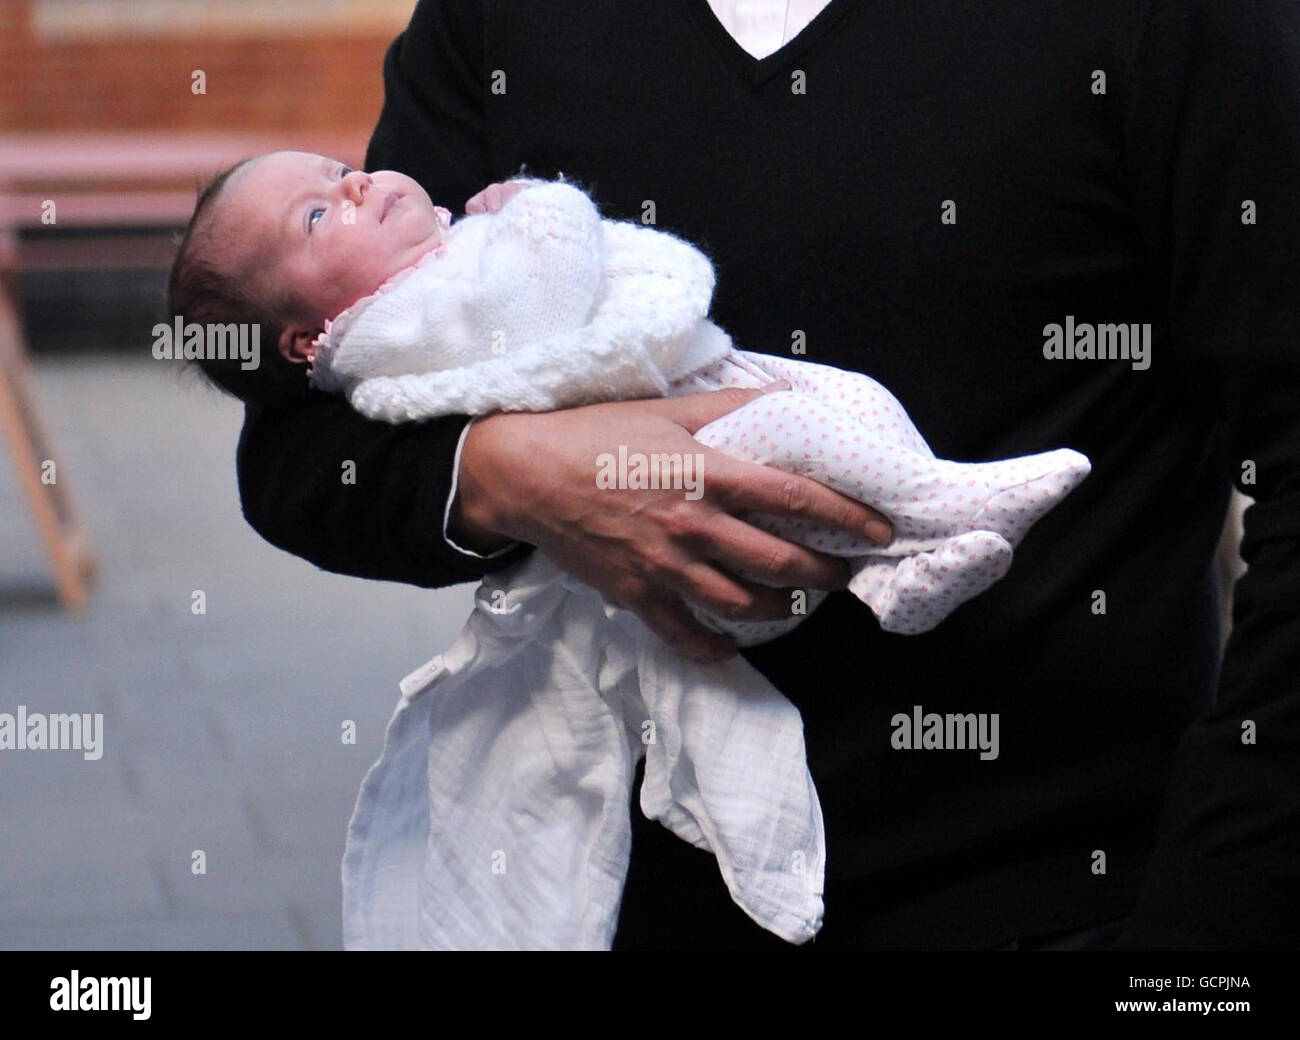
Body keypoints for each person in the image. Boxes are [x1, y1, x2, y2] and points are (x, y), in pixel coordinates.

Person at [234, 0, 1300, 949]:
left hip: (1055, 895)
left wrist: (1208, 924)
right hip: (622, 885)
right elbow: (299, 446)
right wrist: (507, 471)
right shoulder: (497, 24)